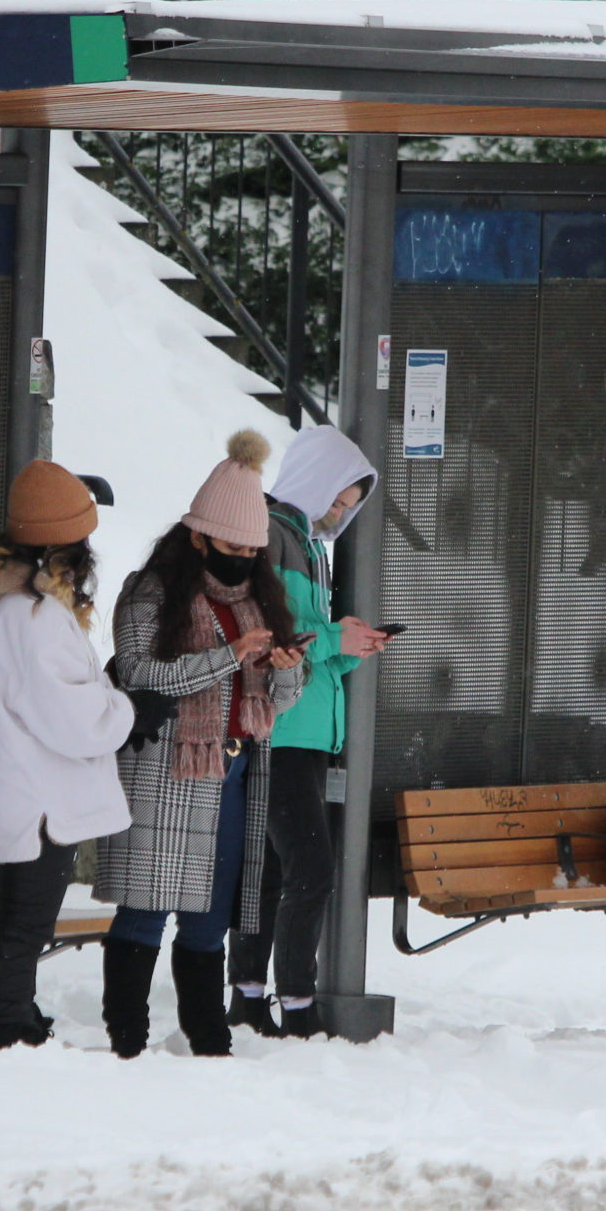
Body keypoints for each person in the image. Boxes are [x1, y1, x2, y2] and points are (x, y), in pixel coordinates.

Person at [93, 430, 306, 1058]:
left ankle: (208, 1037)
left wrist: (285, 666)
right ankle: (126, 1037)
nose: (240, 557)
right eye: (229, 545)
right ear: (197, 536)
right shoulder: (149, 591)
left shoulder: (258, 600)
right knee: (145, 909)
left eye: (251, 548)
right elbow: (136, 672)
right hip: (166, 769)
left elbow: (275, 702)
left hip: (236, 772)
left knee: (211, 915)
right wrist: (226, 658)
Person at [0, 461, 134, 1058]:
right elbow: (72, 721)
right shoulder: (31, 617)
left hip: (25, 799)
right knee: (24, 926)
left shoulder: (13, 609)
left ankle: (17, 1020)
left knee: (18, 921)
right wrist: (128, 711)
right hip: (37, 806)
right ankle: (9, 1034)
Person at [226, 425, 392, 1040]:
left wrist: (349, 648)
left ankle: (249, 996)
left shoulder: (302, 541)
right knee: (309, 870)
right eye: (338, 500)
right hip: (283, 729)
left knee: (270, 869)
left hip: (304, 728)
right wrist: (331, 639)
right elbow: (273, 638)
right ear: (315, 482)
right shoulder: (275, 536)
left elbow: (306, 646)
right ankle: (296, 1005)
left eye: (348, 508)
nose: (339, 515)